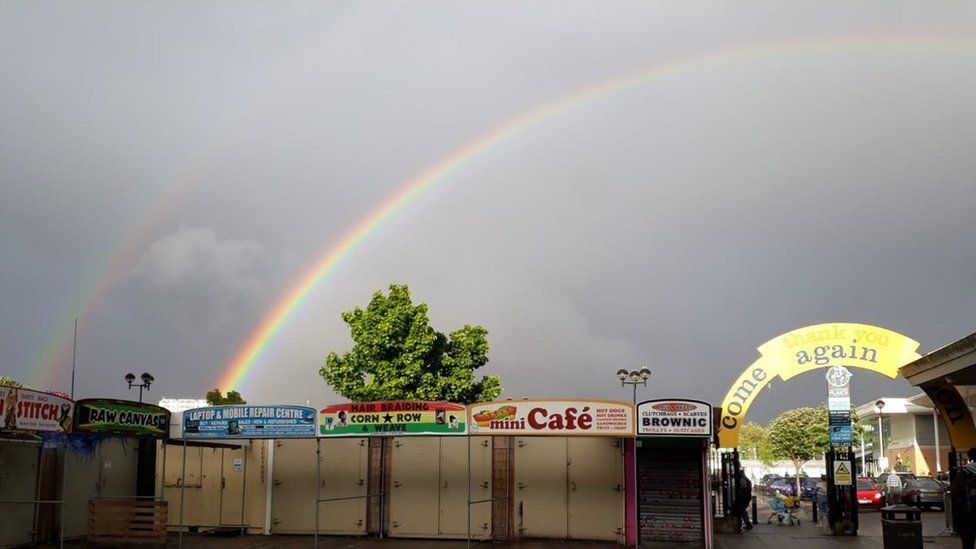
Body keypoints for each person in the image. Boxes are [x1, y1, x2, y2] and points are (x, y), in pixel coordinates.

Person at [950, 449, 976, 549]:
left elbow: (955, 494)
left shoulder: (963, 474)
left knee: (967, 542)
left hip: (967, 513)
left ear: (970, 458)